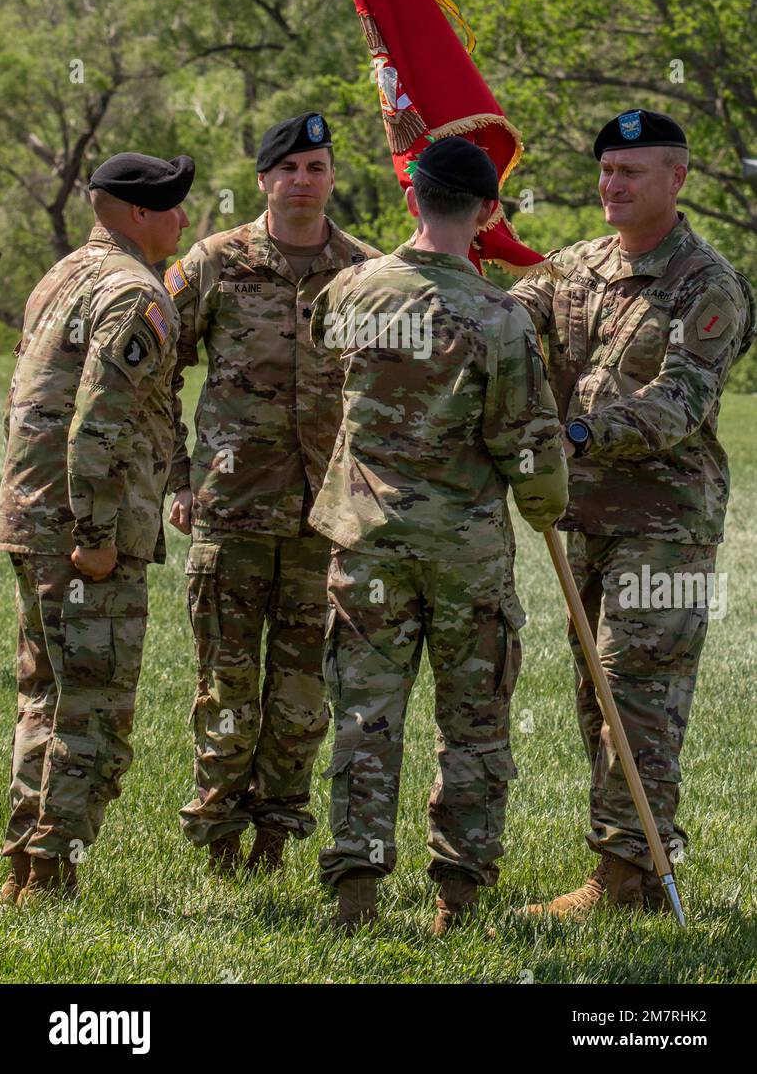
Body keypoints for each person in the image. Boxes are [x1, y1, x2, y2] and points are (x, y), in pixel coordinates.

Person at [307, 136, 569, 933]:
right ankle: (458, 897)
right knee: (475, 721)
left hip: (369, 540)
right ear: (489, 214)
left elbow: (329, 379)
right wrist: (545, 501)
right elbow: (525, 442)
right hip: (466, 551)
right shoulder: (501, 318)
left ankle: (356, 893)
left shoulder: (349, 290)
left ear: (412, 199)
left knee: (364, 716)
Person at [509, 109, 755, 917]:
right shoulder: (574, 266)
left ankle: (628, 879)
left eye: (633, 172)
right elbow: (508, 320)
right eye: (607, 171)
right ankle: (631, 868)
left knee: (638, 693)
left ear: (677, 179)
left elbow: (680, 401)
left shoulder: (707, 282)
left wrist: (575, 432)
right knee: (594, 691)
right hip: (586, 517)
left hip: (668, 523)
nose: (613, 185)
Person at [166, 112, 380, 875]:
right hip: (231, 510)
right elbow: (157, 366)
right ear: (263, 180)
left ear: (330, 178)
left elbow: (392, 387)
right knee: (225, 681)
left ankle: (276, 831)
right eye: (286, 168)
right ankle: (218, 833)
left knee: (302, 691)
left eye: (315, 167)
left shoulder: (364, 270)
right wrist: (177, 475)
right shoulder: (215, 262)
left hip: (328, 518)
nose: (301, 180)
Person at [0, 152, 194, 904]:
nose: (183, 218)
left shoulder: (64, 273)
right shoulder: (134, 292)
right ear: (139, 213)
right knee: (94, 704)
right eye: (174, 205)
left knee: (45, 697)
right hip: (79, 530)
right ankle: (51, 876)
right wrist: (97, 531)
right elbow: (98, 421)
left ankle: (23, 864)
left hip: (28, 513)